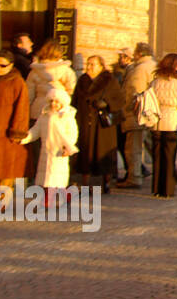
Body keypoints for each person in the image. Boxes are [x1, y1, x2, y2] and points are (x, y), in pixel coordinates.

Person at [70, 55, 125, 193]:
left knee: (102, 153)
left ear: (101, 66)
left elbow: (119, 99)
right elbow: (75, 100)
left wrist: (107, 103)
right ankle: (85, 182)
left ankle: (104, 182)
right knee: (85, 152)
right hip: (85, 121)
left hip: (102, 124)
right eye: (88, 64)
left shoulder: (109, 80)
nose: (89, 67)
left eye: (92, 64)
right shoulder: (83, 80)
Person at [146, 53, 177, 198]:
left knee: (157, 156)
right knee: (169, 157)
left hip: (157, 120)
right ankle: (167, 189)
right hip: (172, 120)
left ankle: (156, 188)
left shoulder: (155, 82)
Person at [26, 85, 77, 203]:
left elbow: (72, 134)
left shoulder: (67, 117)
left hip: (59, 152)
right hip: (46, 151)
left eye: (57, 102)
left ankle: (48, 201)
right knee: (49, 178)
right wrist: (24, 138)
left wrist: (68, 148)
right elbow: (35, 131)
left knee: (55, 178)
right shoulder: (44, 116)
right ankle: (66, 196)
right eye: (52, 101)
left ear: (63, 103)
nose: (54, 104)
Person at [119, 43, 157, 188]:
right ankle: (169, 171)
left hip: (137, 114)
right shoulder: (155, 66)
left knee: (133, 148)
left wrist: (126, 108)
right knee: (152, 145)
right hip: (151, 113)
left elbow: (133, 91)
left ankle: (134, 178)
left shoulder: (140, 69)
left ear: (139, 54)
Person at [0, 50, 30, 187]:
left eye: (2, 65)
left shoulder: (17, 82)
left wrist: (17, 132)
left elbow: (22, 108)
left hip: (6, 137)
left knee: (6, 174)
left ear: (11, 65)